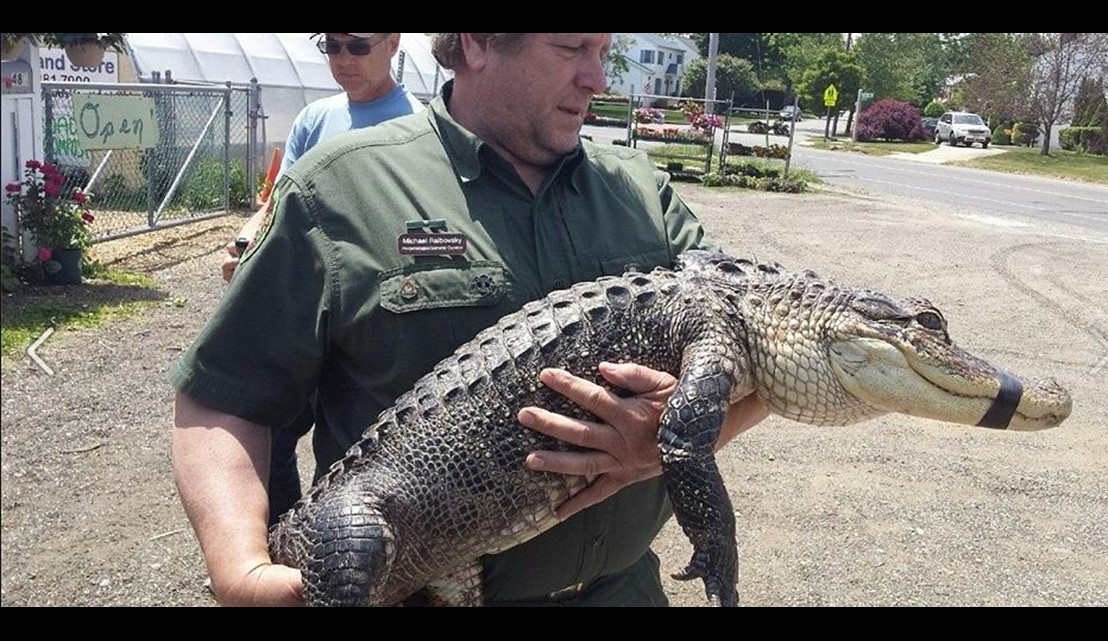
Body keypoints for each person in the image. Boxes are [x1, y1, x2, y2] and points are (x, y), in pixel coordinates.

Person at [171, 33, 769, 607]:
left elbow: (760, 340)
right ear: (478, 42)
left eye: (604, 51)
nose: (597, 78)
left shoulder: (641, 190)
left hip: (626, 591)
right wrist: (240, 573)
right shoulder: (338, 191)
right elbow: (226, 396)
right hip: (422, 592)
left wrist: (667, 442)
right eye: (570, 48)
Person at [220, 32, 423, 522]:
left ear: (392, 41)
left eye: (357, 46)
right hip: (303, 311)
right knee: (270, 432)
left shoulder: (417, 126)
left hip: (367, 318)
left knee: (357, 451)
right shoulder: (315, 120)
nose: (342, 60)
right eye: (332, 47)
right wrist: (247, 244)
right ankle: (286, 543)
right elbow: (278, 205)